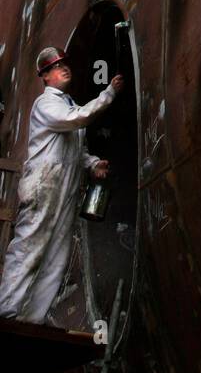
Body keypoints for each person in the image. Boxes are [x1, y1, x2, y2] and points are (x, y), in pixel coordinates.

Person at [0, 46, 123, 325]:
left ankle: (32, 318)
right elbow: (75, 119)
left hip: (64, 188)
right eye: (56, 66)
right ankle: (6, 310)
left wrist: (92, 164)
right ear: (45, 76)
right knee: (30, 247)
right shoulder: (47, 104)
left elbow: (74, 149)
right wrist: (109, 94)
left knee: (57, 255)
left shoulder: (67, 104)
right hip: (45, 186)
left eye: (65, 63)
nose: (64, 68)